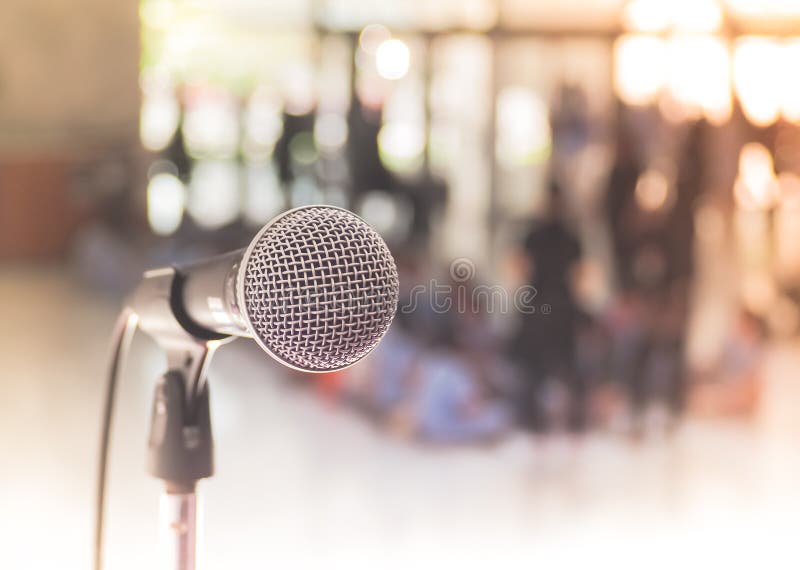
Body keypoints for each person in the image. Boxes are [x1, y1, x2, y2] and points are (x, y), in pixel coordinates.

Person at [513, 180, 586, 433]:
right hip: (545, 304)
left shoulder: (566, 237)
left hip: (554, 306)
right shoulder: (538, 236)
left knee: (564, 365)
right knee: (537, 367)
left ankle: (572, 417)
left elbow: (578, 275)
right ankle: (534, 418)